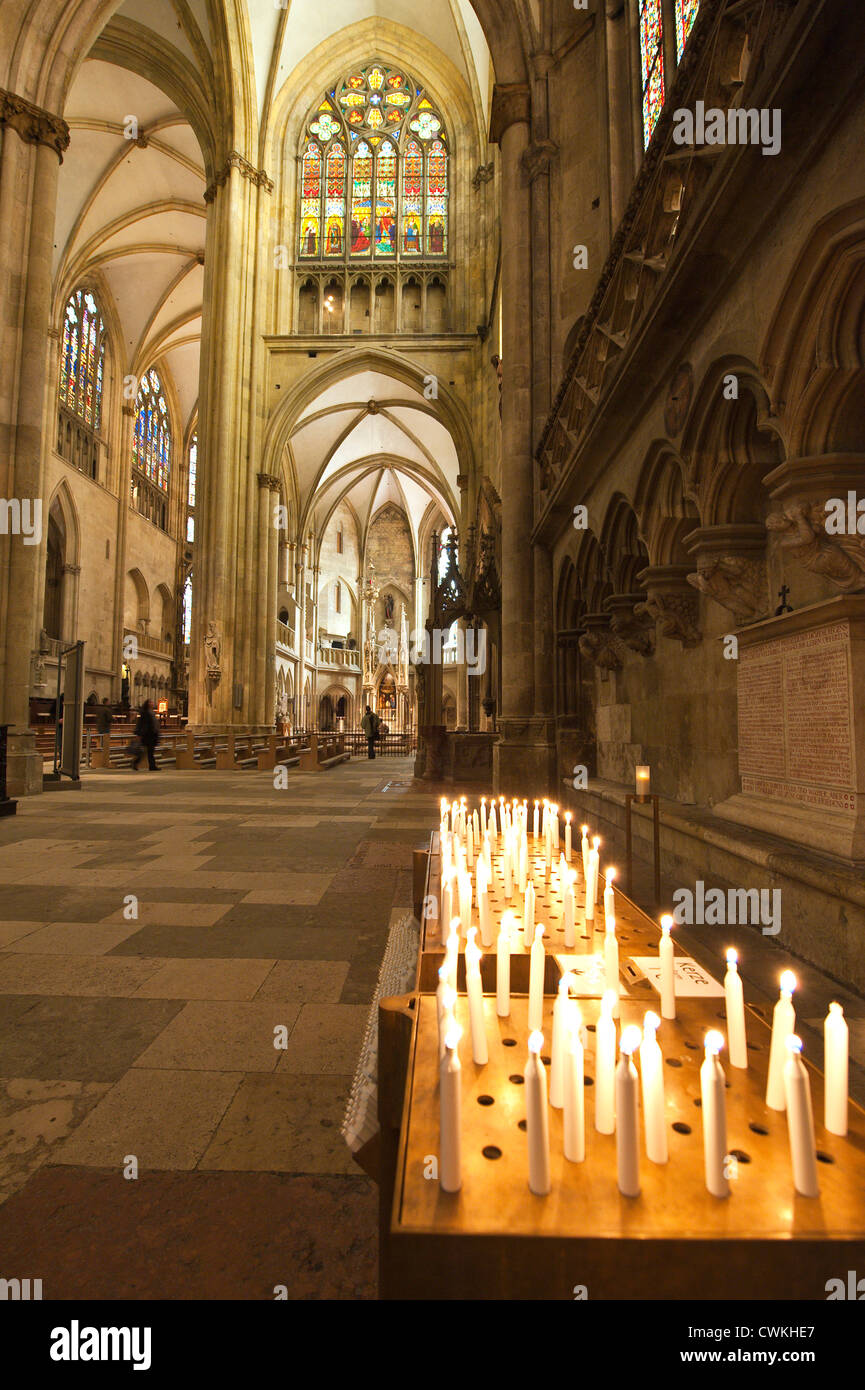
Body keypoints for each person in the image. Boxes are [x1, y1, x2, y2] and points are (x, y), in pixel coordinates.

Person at [132, 699, 160, 771]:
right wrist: (138, 734)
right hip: (146, 734)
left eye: (152, 702)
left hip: (152, 734)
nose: (152, 703)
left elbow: (154, 723)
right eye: (151, 702)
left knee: (149, 751)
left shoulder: (152, 712)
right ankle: (151, 766)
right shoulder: (144, 712)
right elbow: (140, 724)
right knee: (147, 751)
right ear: (147, 704)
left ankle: (150, 765)